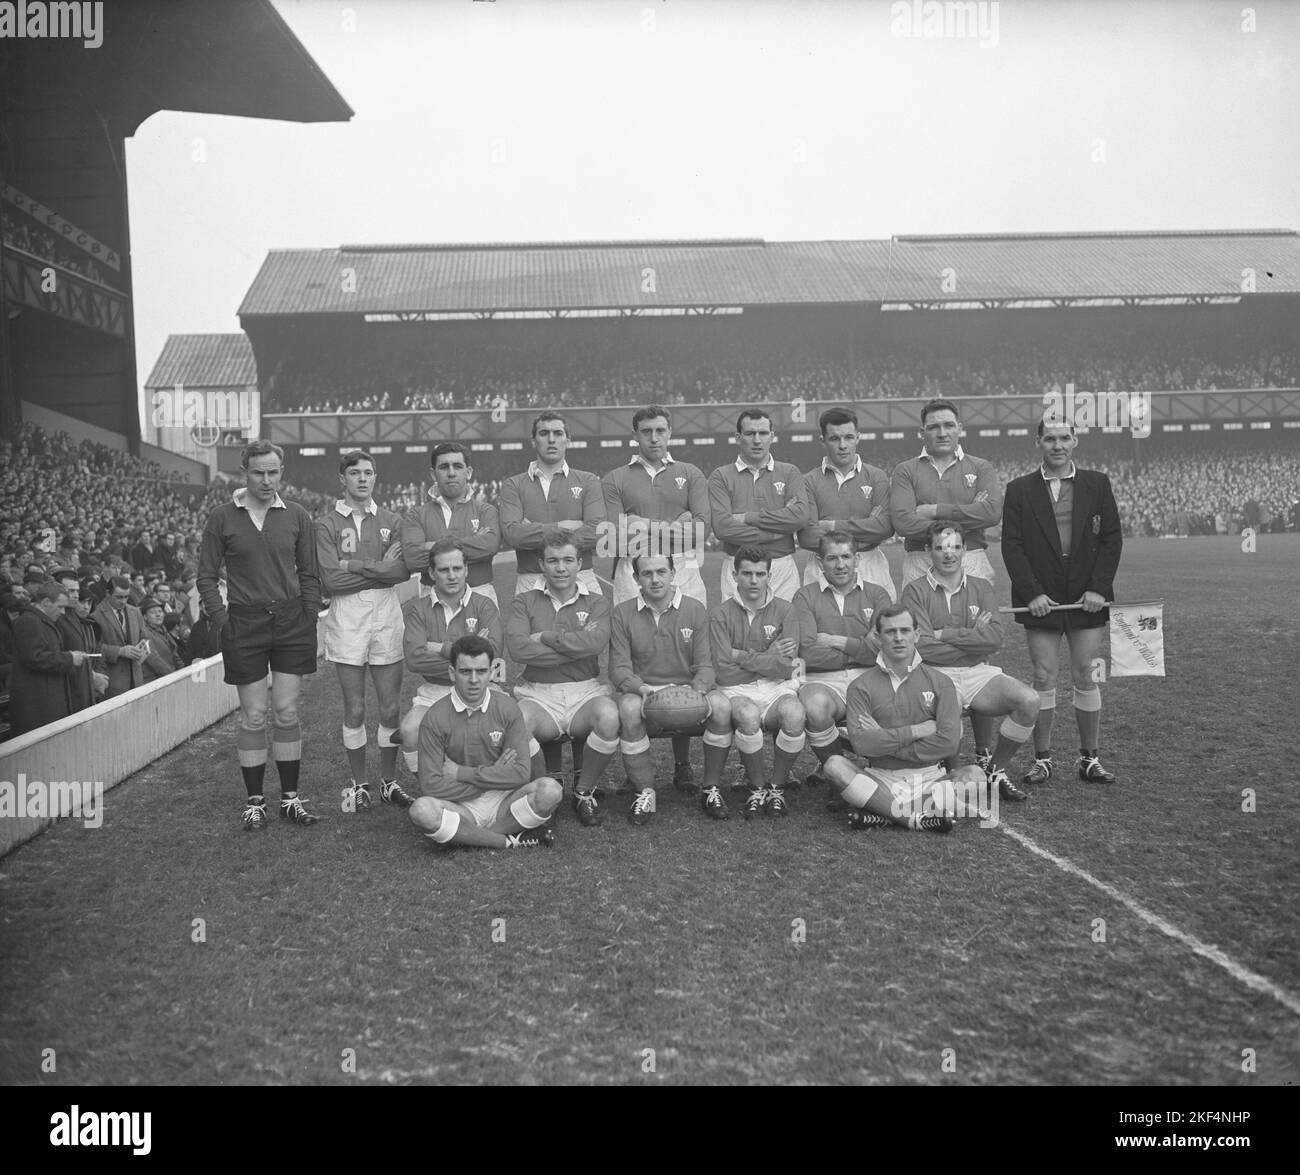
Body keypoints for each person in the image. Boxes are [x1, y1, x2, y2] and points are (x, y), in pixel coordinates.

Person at [198, 440, 324, 830]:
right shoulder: (222, 517)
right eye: (258, 472)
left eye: (273, 472)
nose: (266, 480)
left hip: (290, 622)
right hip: (245, 624)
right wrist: (223, 621)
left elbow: (309, 573)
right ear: (244, 472)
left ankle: (290, 798)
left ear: (281, 472)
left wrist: (307, 616)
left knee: (286, 712)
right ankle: (255, 801)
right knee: (253, 717)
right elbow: (206, 576)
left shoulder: (297, 515)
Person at [1001, 418, 1123, 785]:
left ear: (1075, 441)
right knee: (1043, 675)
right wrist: (1033, 592)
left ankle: (1089, 759)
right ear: (1038, 442)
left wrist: (1099, 588)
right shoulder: (1020, 489)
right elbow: (1013, 545)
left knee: (1085, 672)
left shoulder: (1097, 482)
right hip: (1041, 595)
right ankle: (1043, 759)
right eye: (1050, 438)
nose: (1057, 445)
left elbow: (1112, 539)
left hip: (1087, 594)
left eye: (1064, 438)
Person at [602, 405, 711, 792]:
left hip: (685, 569)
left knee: (680, 664)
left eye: (660, 429)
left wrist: (640, 525)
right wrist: (672, 526)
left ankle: (682, 764)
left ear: (670, 432)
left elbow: (700, 532)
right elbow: (615, 535)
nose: (654, 437)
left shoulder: (691, 473)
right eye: (646, 430)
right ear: (635, 434)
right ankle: (640, 762)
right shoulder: (616, 478)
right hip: (633, 573)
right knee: (637, 662)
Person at [820, 602, 989, 833]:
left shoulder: (941, 683)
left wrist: (883, 738)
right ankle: (912, 818)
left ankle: (884, 814)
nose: (898, 638)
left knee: (976, 777)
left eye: (904, 630)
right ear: (878, 638)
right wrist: (917, 731)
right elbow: (861, 744)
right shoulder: (860, 687)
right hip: (881, 779)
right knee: (834, 766)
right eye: (890, 632)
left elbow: (948, 744)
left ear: (917, 635)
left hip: (931, 779)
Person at [902, 524, 1040, 802]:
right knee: (953, 722)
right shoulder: (914, 591)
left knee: (1029, 701)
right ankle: (955, 779)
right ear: (929, 551)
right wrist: (972, 637)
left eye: (954, 547)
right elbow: (922, 646)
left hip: (977, 670)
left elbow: (994, 640)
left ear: (965, 549)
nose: (948, 554)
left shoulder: (981, 587)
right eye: (940, 547)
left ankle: (996, 772)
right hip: (933, 672)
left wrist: (947, 635)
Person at [315, 450, 413, 813]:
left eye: (368, 472)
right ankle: (359, 785)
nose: (361, 478)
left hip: (387, 611)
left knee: (390, 706)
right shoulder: (326, 524)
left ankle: (389, 782)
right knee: (354, 707)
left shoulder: (393, 520)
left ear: (376, 478)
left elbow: (402, 572)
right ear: (342, 478)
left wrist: (355, 566)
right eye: (354, 472)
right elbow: (331, 580)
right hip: (348, 617)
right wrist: (379, 568)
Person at [505, 530, 619, 828]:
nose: (561, 568)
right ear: (541, 563)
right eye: (553, 560)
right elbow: (518, 650)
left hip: (584, 692)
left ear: (579, 563)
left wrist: (544, 638)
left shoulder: (597, 602)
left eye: (568, 560)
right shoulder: (523, 602)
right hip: (538, 693)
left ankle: (584, 792)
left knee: (609, 716)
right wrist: (575, 646)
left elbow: (596, 645)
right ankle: (548, 787)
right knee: (517, 721)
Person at [609, 552, 731, 824]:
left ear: (673, 574)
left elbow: (706, 665)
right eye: (647, 573)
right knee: (628, 709)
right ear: (636, 578)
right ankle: (644, 792)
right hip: (644, 690)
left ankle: (710, 788)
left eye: (661, 572)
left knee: (722, 706)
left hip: (687, 687)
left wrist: (697, 689)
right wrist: (641, 689)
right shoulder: (622, 613)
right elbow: (618, 669)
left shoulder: (695, 608)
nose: (654, 579)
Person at [408, 635, 561, 850]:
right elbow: (431, 786)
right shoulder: (434, 717)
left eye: (481, 671)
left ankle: (475, 837)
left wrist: (462, 773)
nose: (473, 680)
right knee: (421, 810)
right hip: (461, 806)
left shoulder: (507, 708)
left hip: (504, 799)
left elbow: (521, 774)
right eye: (465, 671)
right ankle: (505, 841)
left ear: (492, 671)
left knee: (551, 791)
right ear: (452, 673)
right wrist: (493, 775)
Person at [790, 530, 892, 790]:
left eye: (846, 556)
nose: (840, 564)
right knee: (814, 706)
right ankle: (840, 773)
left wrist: (837, 641)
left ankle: (885, 773)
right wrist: (861, 645)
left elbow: (880, 650)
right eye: (832, 558)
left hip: (871, 675)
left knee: (900, 705)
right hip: (823, 680)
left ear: (857, 559)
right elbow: (809, 652)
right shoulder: (805, 596)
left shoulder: (878, 595)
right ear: (820, 561)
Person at [709, 546, 805, 820]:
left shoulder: (786, 611)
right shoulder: (719, 614)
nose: (753, 580)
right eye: (747, 574)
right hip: (736, 690)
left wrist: (740, 656)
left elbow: (787, 667)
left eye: (759, 574)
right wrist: (767, 658)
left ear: (769, 576)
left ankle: (776, 788)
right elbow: (723, 673)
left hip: (778, 687)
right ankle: (757, 786)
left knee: (795, 713)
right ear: (734, 575)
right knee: (748, 715)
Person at [399, 538, 503, 777]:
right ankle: (431, 789)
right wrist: (471, 655)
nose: (452, 575)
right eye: (444, 570)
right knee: (409, 728)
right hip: (435, 690)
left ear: (466, 570)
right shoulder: (418, 609)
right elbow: (414, 660)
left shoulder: (485, 605)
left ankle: (487, 787)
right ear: (431, 573)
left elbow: (494, 655)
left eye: (457, 568)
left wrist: (440, 648)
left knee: (501, 727)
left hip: (482, 689)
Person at [890, 398, 1003, 588]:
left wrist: (934, 510)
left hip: (970, 557)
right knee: (921, 618)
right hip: (921, 559)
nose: (942, 433)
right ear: (922, 432)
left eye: (948, 425)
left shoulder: (981, 467)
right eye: (934, 427)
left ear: (959, 428)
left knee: (975, 618)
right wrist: (969, 514)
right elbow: (903, 523)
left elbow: (991, 513)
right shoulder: (905, 470)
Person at [708, 409, 809, 602]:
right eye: (749, 433)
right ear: (738, 437)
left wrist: (748, 518)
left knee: (784, 629)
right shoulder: (720, 476)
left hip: (781, 567)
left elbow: (800, 517)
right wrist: (777, 531)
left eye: (763, 433)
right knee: (738, 630)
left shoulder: (789, 473)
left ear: (772, 436)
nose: (757, 440)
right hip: (737, 567)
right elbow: (723, 528)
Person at [500, 412, 606, 596]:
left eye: (558, 433)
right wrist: (564, 526)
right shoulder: (513, 484)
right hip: (531, 579)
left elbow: (598, 532)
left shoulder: (588, 481)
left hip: (581, 576)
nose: (551, 439)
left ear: (568, 439)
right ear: (533, 441)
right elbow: (512, 535)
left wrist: (533, 530)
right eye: (544, 433)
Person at [798, 407, 895, 599]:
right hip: (823, 565)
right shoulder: (808, 481)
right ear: (823, 440)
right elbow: (807, 538)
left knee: (880, 626)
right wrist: (866, 526)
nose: (843, 445)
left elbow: (884, 528)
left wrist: (831, 526)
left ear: (858, 437)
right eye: (834, 439)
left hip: (870, 563)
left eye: (849, 437)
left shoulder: (877, 477)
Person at [401, 441, 501, 607]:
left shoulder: (486, 511)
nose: (451, 473)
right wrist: (473, 541)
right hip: (431, 599)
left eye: (458, 466)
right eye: (444, 467)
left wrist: (431, 546)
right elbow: (412, 559)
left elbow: (489, 547)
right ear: (433, 474)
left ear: (468, 472)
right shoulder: (416, 515)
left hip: (480, 595)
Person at [9, 584, 90, 736]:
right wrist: (69, 658)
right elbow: (35, 658)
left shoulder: (40, 620)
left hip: (45, 701)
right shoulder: (29, 620)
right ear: (46, 602)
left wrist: (69, 656)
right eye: (60, 607)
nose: (63, 612)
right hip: (36, 704)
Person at [90, 575, 148, 698]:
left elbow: (144, 635)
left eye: (126, 597)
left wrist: (143, 647)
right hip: (113, 683)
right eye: (119, 597)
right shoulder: (95, 615)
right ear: (107, 593)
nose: (123, 601)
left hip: (136, 679)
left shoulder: (135, 611)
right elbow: (93, 648)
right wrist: (119, 651)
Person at [56, 574, 107, 710]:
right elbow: (63, 655)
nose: (75, 595)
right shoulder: (57, 619)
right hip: (72, 689)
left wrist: (97, 675)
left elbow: (98, 652)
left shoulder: (90, 624)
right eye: (70, 591)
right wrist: (92, 676)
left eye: (77, 591)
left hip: (88, 688)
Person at [139, 597, 184, 682]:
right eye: (153, 612)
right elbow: (154, 660)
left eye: (160, 611)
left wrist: (183, 670)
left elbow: (174, 654)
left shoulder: (163, 630)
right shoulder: (144, 633)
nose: (158, 614)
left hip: (169, 678)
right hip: (154, 681)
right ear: (145, 617)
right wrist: (173, 676)